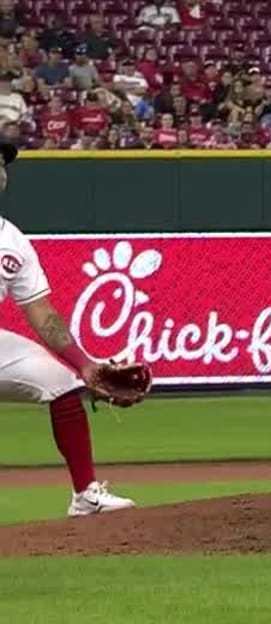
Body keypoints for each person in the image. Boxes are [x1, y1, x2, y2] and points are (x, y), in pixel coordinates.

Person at [0, 143, 139, 516]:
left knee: (61, 381)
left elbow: (42, 313)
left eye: (1, 165)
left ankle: (85, 495)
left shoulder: (12, 240)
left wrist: (86, 365)